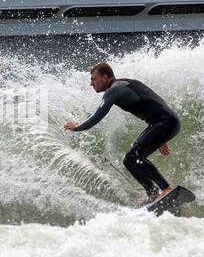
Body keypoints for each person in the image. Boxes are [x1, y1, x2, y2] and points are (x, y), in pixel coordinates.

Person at [64, 62, 181, 204]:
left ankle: (165, 189)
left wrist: (76, 127)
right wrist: (162, 136)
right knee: (129, 160)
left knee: (134, 155)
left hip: (164, 122)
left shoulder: (114, 90)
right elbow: (157, 101)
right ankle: (153, 193)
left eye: (94, 79)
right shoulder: (125, 84)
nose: (91, 83)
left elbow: (96, 117)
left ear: (105, 77)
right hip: (164, 122)